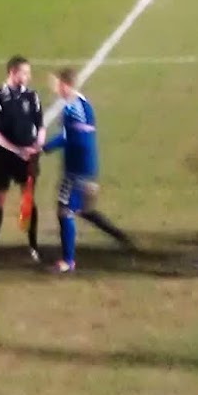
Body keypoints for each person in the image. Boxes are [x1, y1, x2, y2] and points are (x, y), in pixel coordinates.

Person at [41, 68, 132, 274]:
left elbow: (72, 139)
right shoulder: (83, 103)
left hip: (76, 168)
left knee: (64, 210)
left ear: (64, 84)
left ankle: (68, 261)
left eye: (54, 83)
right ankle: (119, 236)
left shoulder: (71, 109)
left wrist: (42, 148)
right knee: (85, 210)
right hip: (89, 165)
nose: (52, 87)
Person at [0, 55, 44, 262]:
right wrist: (15, 150)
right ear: (12, 72)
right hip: (4, 157)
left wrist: (38, 144)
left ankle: (33, 245)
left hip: (28, 156)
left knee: (28, 199)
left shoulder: (32, 96)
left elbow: (40, 124)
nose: (28, 76)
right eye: (24, 72)